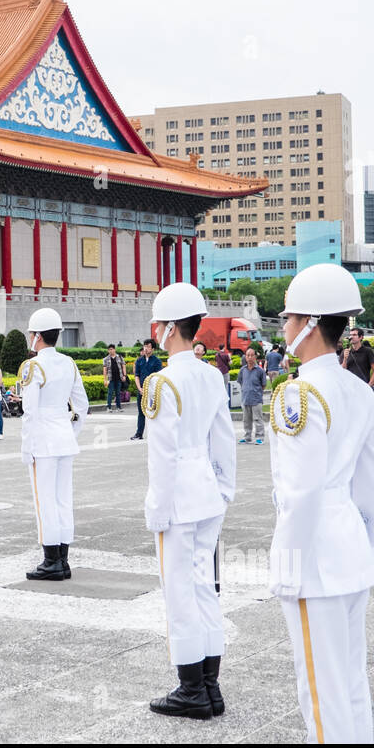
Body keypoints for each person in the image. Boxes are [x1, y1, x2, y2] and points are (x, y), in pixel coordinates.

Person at [269, 263, 374, 744]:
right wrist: (371, 552)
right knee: (351, 681)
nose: (284, 327)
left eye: (289, 318)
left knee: (320, 691)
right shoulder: (359, 391)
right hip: (351, 552)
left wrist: (287, 568)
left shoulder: (298, 394)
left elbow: (301, 494)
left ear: (311, 325)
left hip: (314, 560)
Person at [142, 284, 237, 719]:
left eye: (158, 324)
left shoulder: (162, 382)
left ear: (169, 328)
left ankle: (191, 690)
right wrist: (224, 491)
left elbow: (161, 456)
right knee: (205, 589)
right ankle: (211, 687)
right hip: (207, 495)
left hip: (178, 498)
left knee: (179, 591)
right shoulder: (210, 375)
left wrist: (157, 510)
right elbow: (225, 441)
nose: (156, 331)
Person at [19, 307, 89, 581]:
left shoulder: (33, 366)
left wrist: (27, 447)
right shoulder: (68, 363)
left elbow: (30, 412)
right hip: (64, 439)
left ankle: (51, 562)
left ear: (37, 336)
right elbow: (81, 405)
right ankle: (64, 560)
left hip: (43, 442)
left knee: (45, 501)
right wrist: (72, 431)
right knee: (63, 500)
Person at [131, 339, 162, 441]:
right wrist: (139, 388)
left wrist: (151, 389)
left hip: (152, 392)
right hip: (141, 391)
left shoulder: (157, 361)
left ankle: (156, 435)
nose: (146, 348)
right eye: (145, 346)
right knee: (141, 413)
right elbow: (136, 376)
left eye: (148, 346)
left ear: (153, 349)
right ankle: (139, 433)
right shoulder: (139, 360)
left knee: (154, 413)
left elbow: (158, 377)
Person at [237, 347, 266, 445]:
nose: (249, 357)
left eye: (251, 355)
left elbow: (263, 385)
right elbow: (241, 382)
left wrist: (256, 392)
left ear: (255, 357)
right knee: (246, 420)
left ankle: (260, 438)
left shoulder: (260, 371)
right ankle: (247, 437)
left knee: (258, 419)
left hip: (256, 399)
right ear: (245, 357)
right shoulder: (242, 370)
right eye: (247, 355)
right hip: (245, 399)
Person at [102, 344, 127, 413]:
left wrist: (124, 375)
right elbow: (105, 370)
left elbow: (123, 366)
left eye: (112, 349)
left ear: (114, 349)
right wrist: (105, 379)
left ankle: (119, 407)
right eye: (109, 349)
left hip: (119, 378)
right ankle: (109, 407)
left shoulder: (120, 357)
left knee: (118, 393)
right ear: (108, 350)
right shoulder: (106, 359)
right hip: (110, 379)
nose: (110, 351)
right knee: (110, 393)